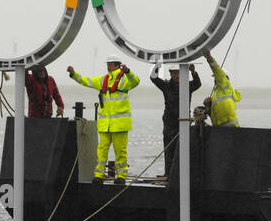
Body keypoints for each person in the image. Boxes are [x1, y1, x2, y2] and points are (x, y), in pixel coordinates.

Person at [67, 54, 140, 183]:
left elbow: (136, 81)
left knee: (120, 151)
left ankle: (121, 176)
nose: (108, 67)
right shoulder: (103, 80)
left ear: (117, 65)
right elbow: (87, 81)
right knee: (102, 151)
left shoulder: (124, 79)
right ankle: (99, 175)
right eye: (107, 64)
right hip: (105, 124)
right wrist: (74, 74)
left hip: (120, 124)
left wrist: (128, 71)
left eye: (110, 64)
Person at [150, 63, 202, 178]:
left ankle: (182, 174)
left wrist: (194, 72)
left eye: (178, 72)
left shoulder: (188, 86)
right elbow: (153, 78)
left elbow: (198, 83)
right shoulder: (166, 85)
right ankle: (168, 173)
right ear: (171, 74)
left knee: (183, 148)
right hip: (169, 122)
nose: (176, 75)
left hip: (183, 122)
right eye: (174, 73)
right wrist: (158, 65)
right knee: (169, 149)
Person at [201, 49, 240, 127]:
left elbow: (218, 71)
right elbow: (216, 114)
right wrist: (208, 106)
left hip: (230, 128)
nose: (215, 79)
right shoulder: (218, 93)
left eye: (215, 77)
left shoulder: (224, 83)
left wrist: (209, 59)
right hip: (220, 130)